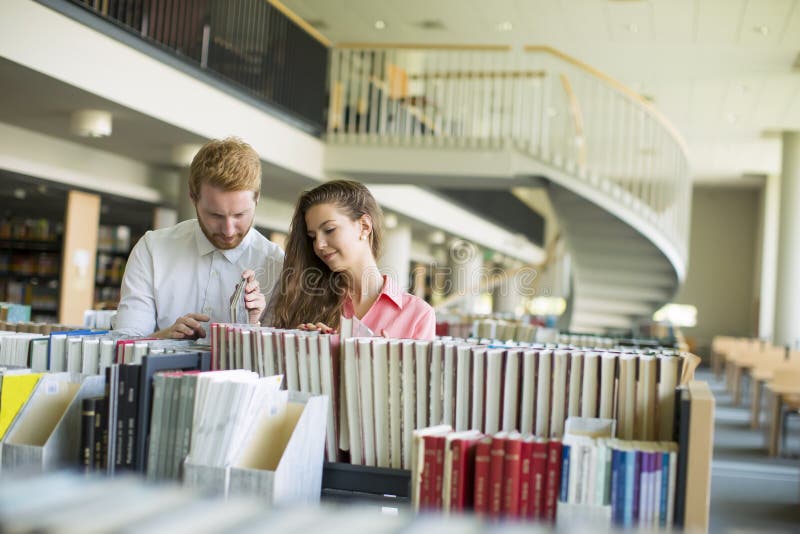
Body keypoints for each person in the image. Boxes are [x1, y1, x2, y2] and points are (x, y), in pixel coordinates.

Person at [115, 137, 283, 339]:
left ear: (257, 199)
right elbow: (124, 341)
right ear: (193, 198)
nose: (228, 230)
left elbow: (277, 357)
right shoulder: (152, 250)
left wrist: (254, 324)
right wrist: (164, 338)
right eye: (215, 215)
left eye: (239, 215)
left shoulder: (277, 264)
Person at [271, 180, 435, 340]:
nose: (319, 245)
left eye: (329, 230)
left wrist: (385, 365)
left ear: (364, 226)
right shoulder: (306, 301)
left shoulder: (418, 315)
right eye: (312, 237)